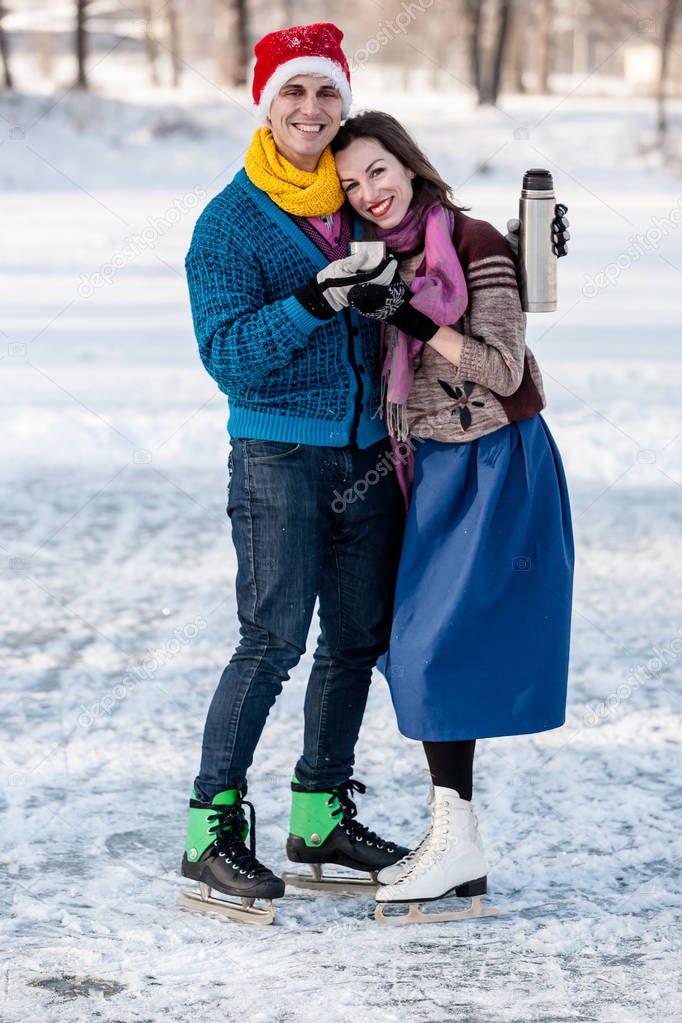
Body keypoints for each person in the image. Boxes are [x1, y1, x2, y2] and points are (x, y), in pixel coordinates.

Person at [181, 28, 408, 922]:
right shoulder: (229, 223)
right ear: (264, 105)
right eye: (294, 95)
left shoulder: (361, 197)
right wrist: (313, 302)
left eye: (326, 94)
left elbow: (433, 268)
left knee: (355, 638)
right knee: (272, 640)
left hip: (368, 451)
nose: (312, 111)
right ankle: (209, 833)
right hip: (277, 452)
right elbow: (230, 359)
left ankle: (318, 819)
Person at [331, 112, 574, 918]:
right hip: (428, 467)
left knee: (435, 649)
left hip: (496, 462)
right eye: (352, 185)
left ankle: (455, 840)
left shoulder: (473, 243)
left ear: (407, 161)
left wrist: (404, 311)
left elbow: (504, 369)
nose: (370, 192)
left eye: (377, 170)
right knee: (415, 649)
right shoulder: (380, 256)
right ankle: (455, 837)